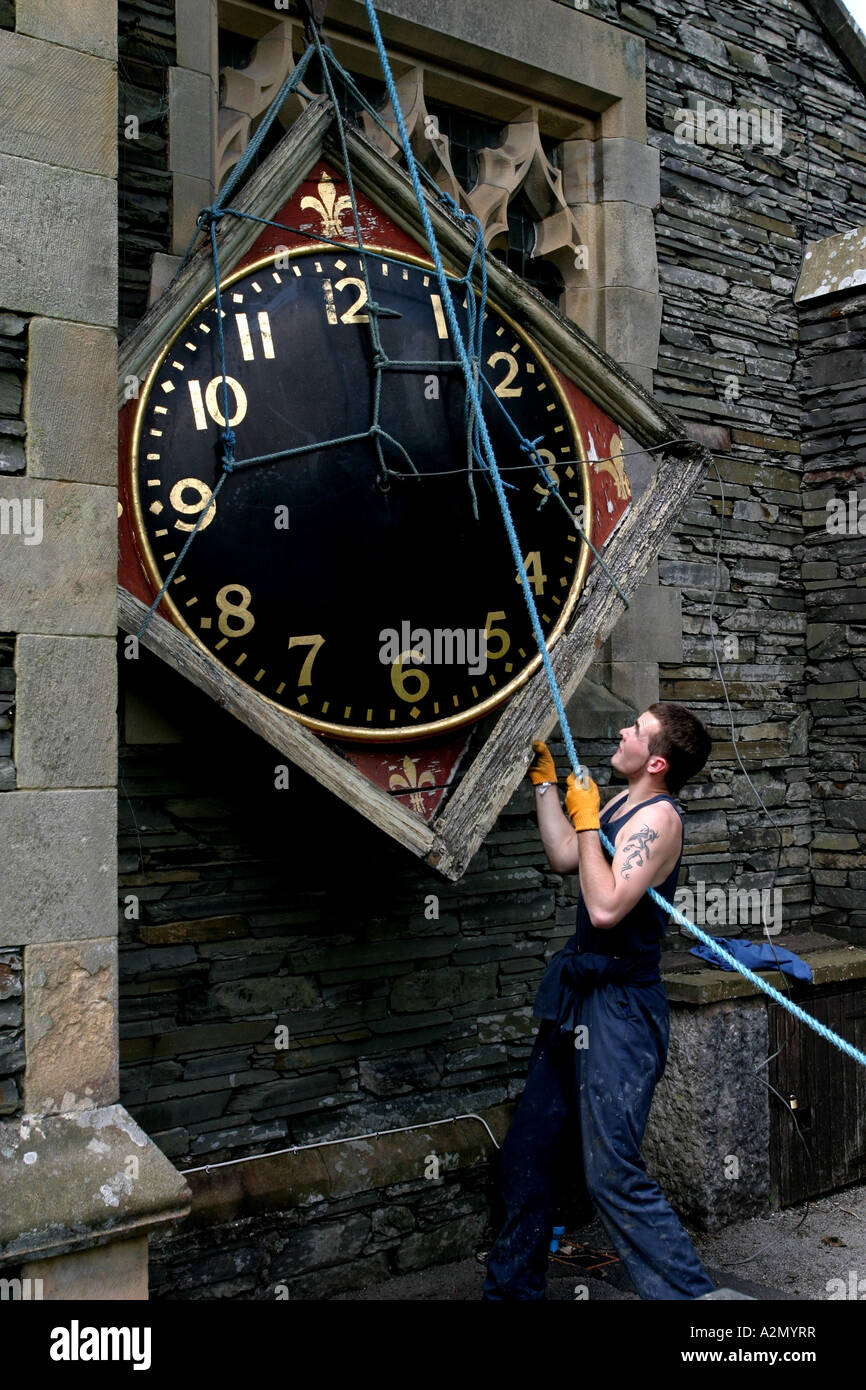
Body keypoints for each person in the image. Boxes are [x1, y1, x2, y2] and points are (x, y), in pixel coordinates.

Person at [482, 701, 716, 1301]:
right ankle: (510, 1296)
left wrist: (588, 824)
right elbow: (567, 857)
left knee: (610, 1172)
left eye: (635, 729)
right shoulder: (618, 803)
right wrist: (546, 784)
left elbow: (605, 905)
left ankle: (704, 1312)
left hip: (620, 1009)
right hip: (577, 999)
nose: (621, 730)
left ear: (656, 761)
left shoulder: (659, 820)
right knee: (527, 1158)